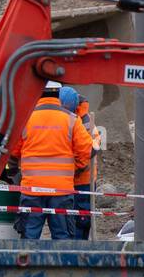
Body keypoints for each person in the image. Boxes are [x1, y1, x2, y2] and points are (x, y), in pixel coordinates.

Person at [12, 81, 94, 241]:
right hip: (61, 191)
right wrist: (77, 167)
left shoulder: (26, 118)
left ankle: (27, 266)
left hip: (31, 189)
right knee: (63, 239)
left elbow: (13, 151)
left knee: (29, 237)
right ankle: (62, 267)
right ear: (58, 95)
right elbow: (87, 149)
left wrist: (16, 169)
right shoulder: (71, 119)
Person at [58, 86, 101, 239]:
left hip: (83, 179)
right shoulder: (73, 118)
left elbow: (93, 147)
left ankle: (77, 252)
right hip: (71, 178)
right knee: (69, 218)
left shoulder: (84, 121)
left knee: (81, 220)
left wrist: (77, 168)